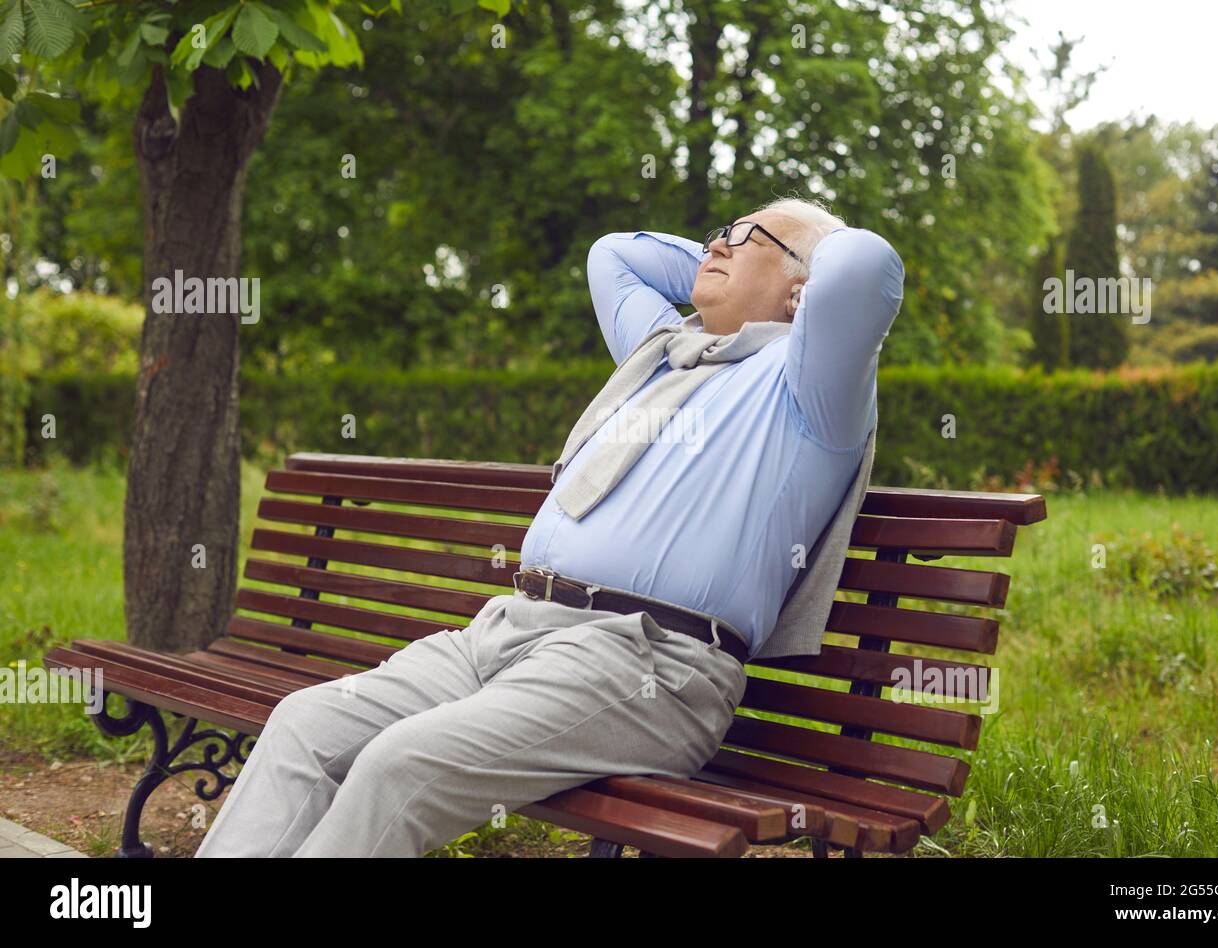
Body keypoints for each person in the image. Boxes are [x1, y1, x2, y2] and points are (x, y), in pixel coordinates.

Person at [194, 196, 905, 857]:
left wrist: (811, 285)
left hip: (645, 663)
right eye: (718, 232)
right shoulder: (662, 352)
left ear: (802, 290)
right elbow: (612, 255)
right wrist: (740, 254)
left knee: (399, 766)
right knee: (304, 725)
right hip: (508, 630)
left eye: (747, 237)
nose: (717, 244)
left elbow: (867, 266)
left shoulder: (811, 382)